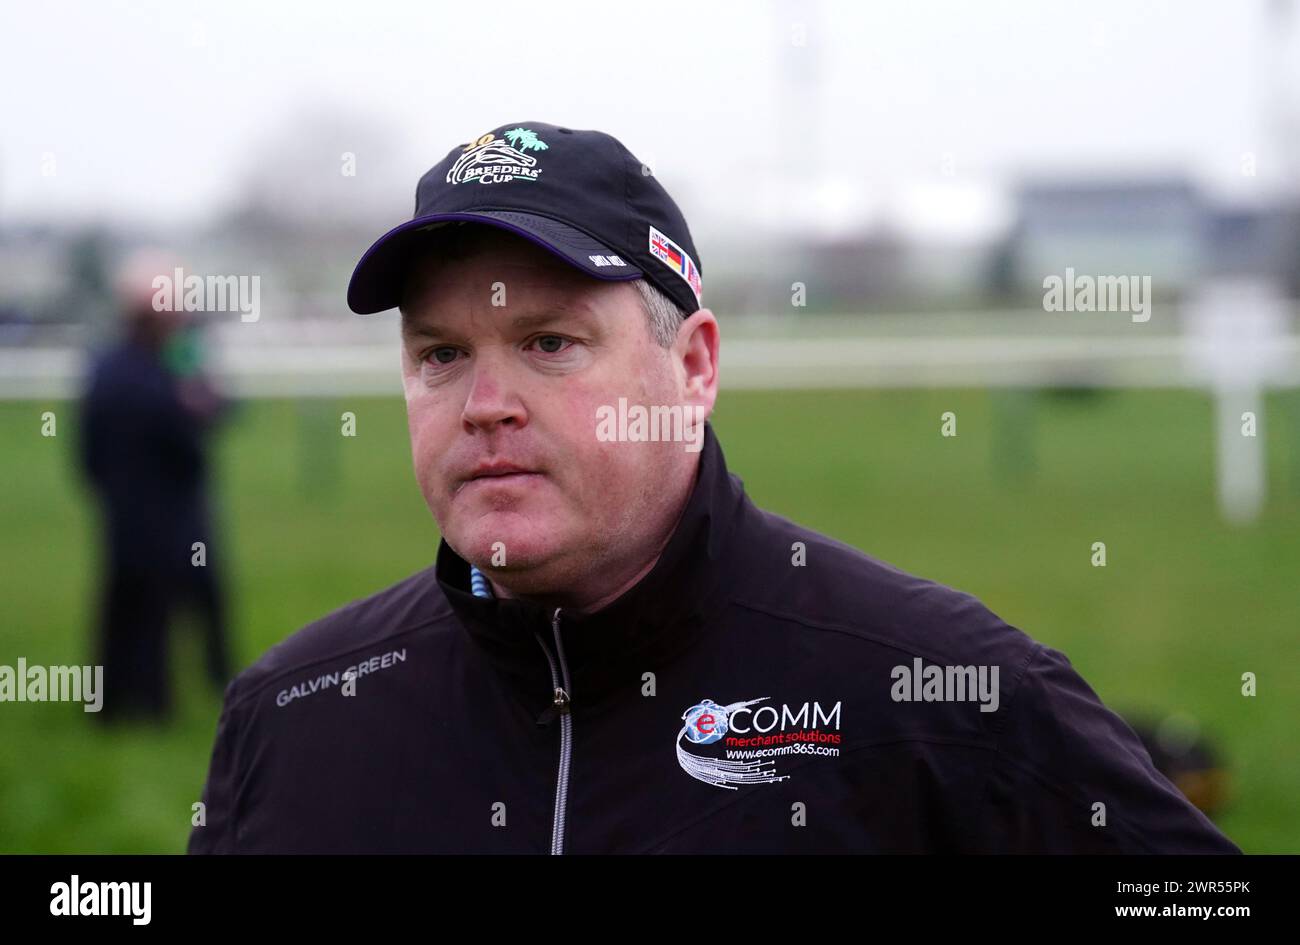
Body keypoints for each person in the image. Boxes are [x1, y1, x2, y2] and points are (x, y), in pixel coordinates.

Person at [189, 121, 1239, 853]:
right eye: (441, 355)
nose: (484, 404)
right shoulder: (293, 718)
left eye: (548, 343)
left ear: (691, 368)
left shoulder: (942, 696)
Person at [79, 254, 232, 723]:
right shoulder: (148, 373)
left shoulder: (115, 366)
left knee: (135, 605)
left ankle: (118, 704)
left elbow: (87, 456)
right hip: (162, 513)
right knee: (148, 611)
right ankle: (145, 707)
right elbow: (185, 431)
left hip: (134, 512)